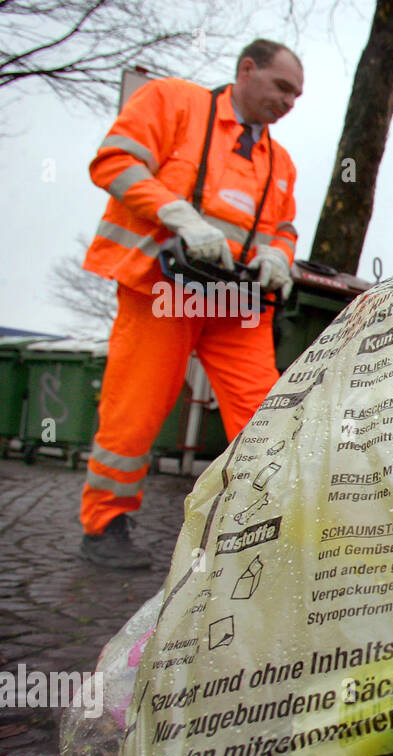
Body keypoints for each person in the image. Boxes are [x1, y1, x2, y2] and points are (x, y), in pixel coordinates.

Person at [79, 40, 303, 568]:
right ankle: (105, 524)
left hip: (238, 301)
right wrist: (177, 215)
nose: (290, 102)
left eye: (297, 95)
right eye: (282, 87)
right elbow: (115, 161)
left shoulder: (281, 161)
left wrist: (280, 254)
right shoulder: (175, 103)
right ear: (247, 69)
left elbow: (285, 224)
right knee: (135, 409)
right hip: (163, 288)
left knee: (265, 415)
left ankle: (264, 519)